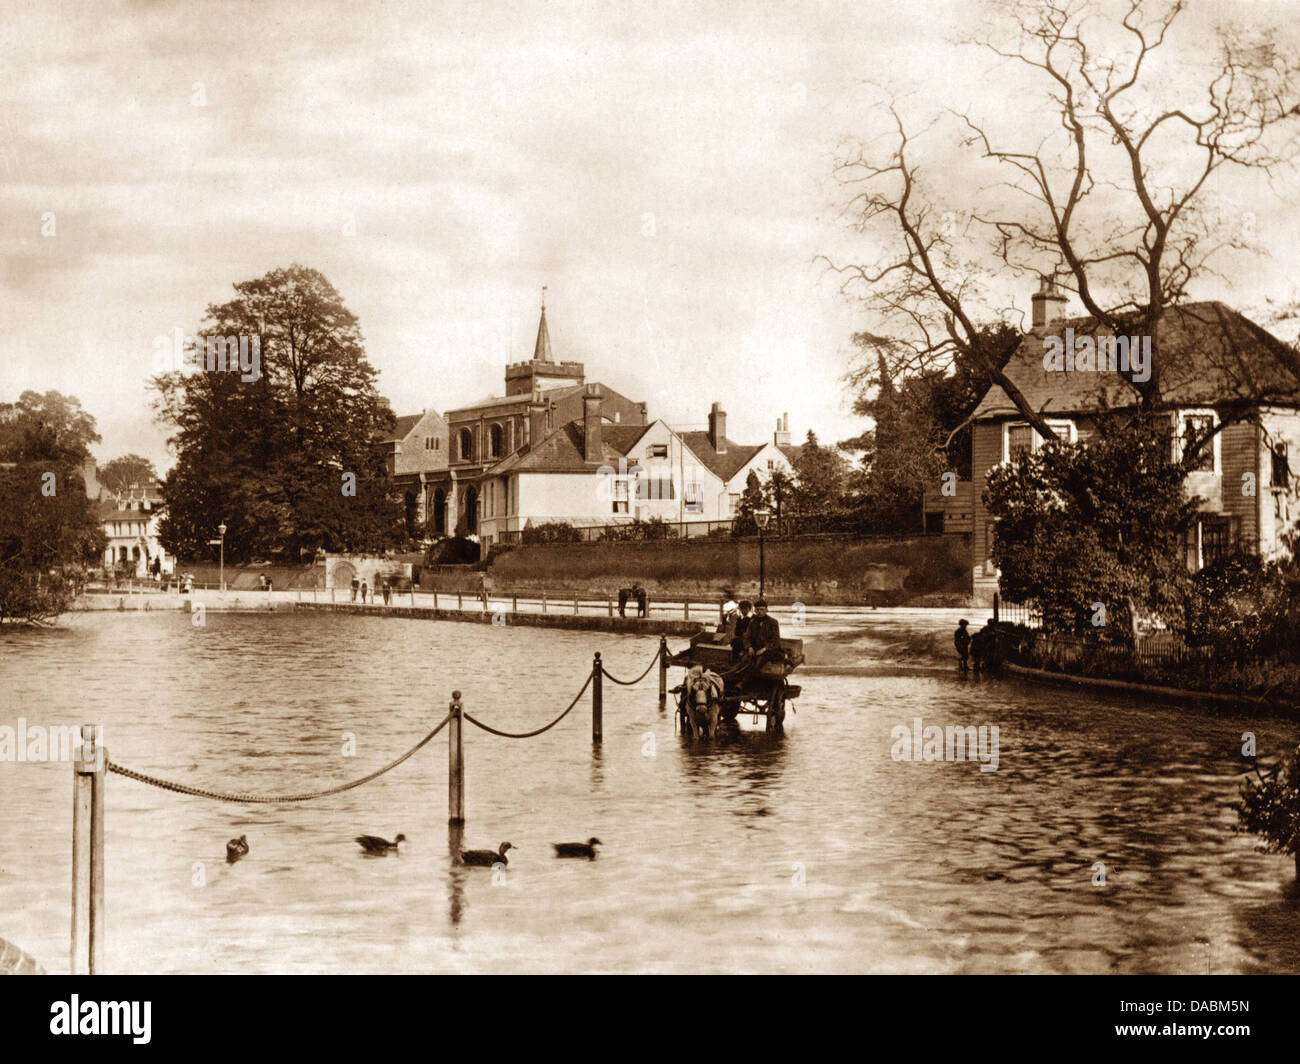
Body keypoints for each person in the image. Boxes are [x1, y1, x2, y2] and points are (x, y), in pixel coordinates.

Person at [743, 599, 783, 667]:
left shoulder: (773, 622)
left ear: (766, 610)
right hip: (755, 648)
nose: (759, 612)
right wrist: (749, 647)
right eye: (757, 610)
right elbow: (747, 637)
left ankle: (755, 676)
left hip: (769, 649)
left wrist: (764, 649)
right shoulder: (752, 622)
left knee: (759, 663)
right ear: (755, 611)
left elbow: (775, 640)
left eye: (762, 609)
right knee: (744, 661)